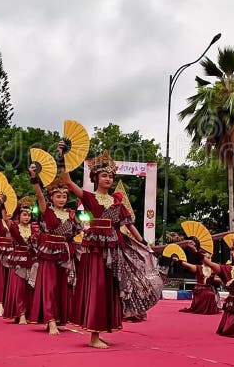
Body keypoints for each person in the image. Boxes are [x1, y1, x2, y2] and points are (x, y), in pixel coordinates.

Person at [60, 148, 159, 349]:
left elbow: (128, 224)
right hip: (95, 249)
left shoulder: (117, 201)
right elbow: (68, 182)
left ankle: (100, 330)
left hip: (115, 248)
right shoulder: (89, 197)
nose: (108, 179)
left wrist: (144, 242)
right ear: (95, 177)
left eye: (111, 176)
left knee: (108, 289)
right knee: (96, 288)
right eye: (104, 175)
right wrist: (62, 156)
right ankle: (93, 335)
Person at [28, 170, 83, 335]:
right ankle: (50, 321)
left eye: (64, 197)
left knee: (63, 287)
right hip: (49, 253)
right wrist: (34, 178)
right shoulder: (47, 212)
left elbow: (78, 233)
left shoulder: (71, 215)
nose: (62, 199)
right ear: (51, 197)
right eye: (58, 196)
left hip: (66, 254)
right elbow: (39, 197)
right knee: (49, 287)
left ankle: (59, 319)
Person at [1, 197, 37, 324]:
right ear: (19, 215)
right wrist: (3, 203)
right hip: (17, 260)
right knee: (19, 288)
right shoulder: (15, 227)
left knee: (29, 288)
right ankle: (20, 313)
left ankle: (29, 313)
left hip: (31, 260)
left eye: (29, 215)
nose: (27, 217)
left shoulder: (35, 228)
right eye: (24, 215)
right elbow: (5, 219)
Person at [174, 244, 221, 315]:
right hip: (200, 289)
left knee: (211, 293)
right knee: (209, 294)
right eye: (206, 258)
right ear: (202, 260)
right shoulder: (198, 267)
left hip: (211, 288)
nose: (208, 260)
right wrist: (178, 261)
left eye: (209, 258)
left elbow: (221, 280)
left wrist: (213, 279)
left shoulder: (213, 269)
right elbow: (187, 265)